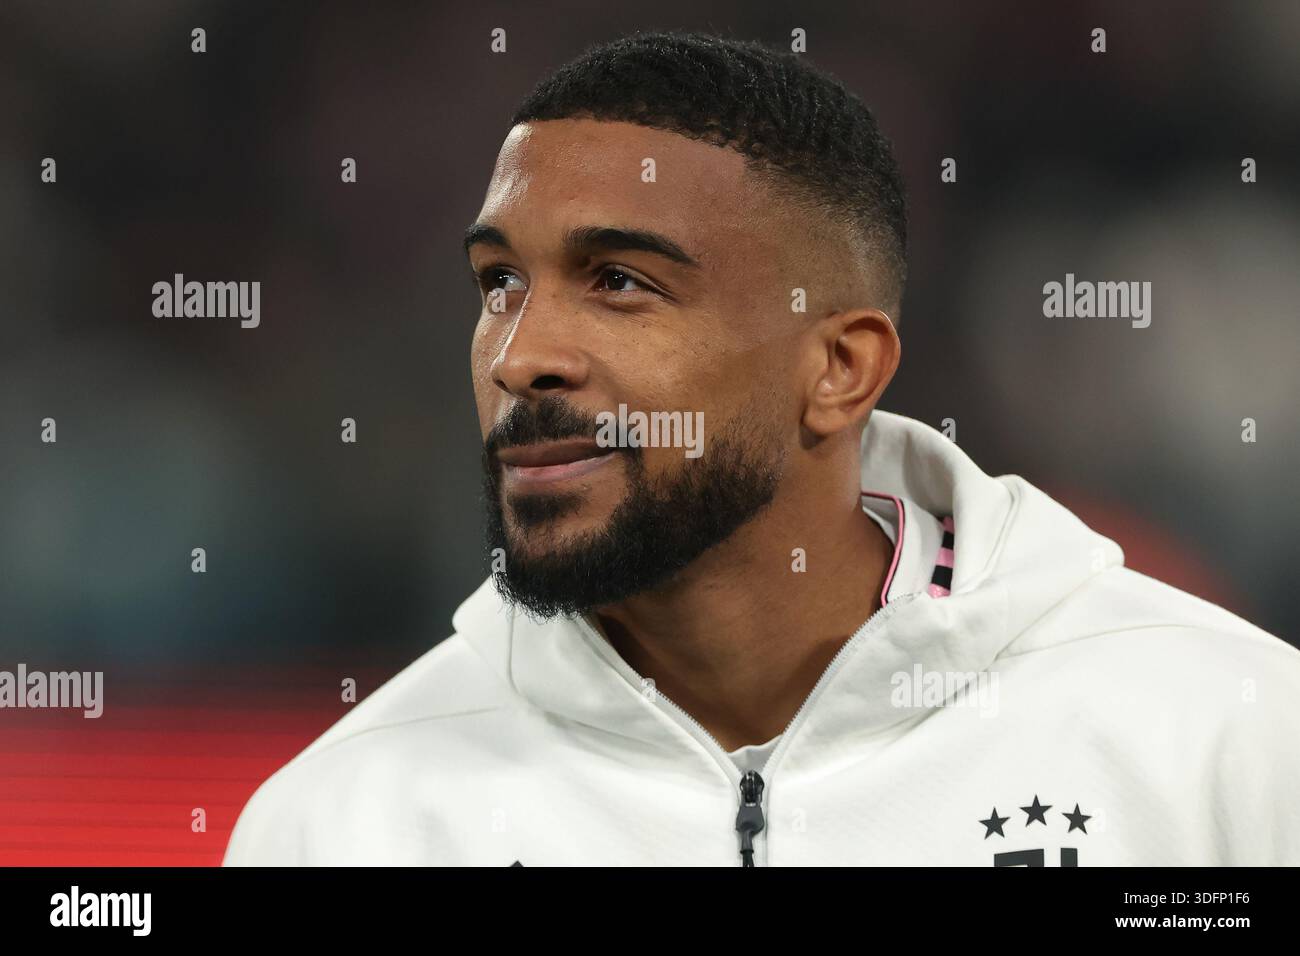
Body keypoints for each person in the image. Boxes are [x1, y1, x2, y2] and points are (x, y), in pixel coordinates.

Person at [224, 31, 1300, 866]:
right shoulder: (342, 820)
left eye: (620, 282)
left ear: (838, 369)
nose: (519, 356)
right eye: (499, 282)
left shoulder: (1227, 743)